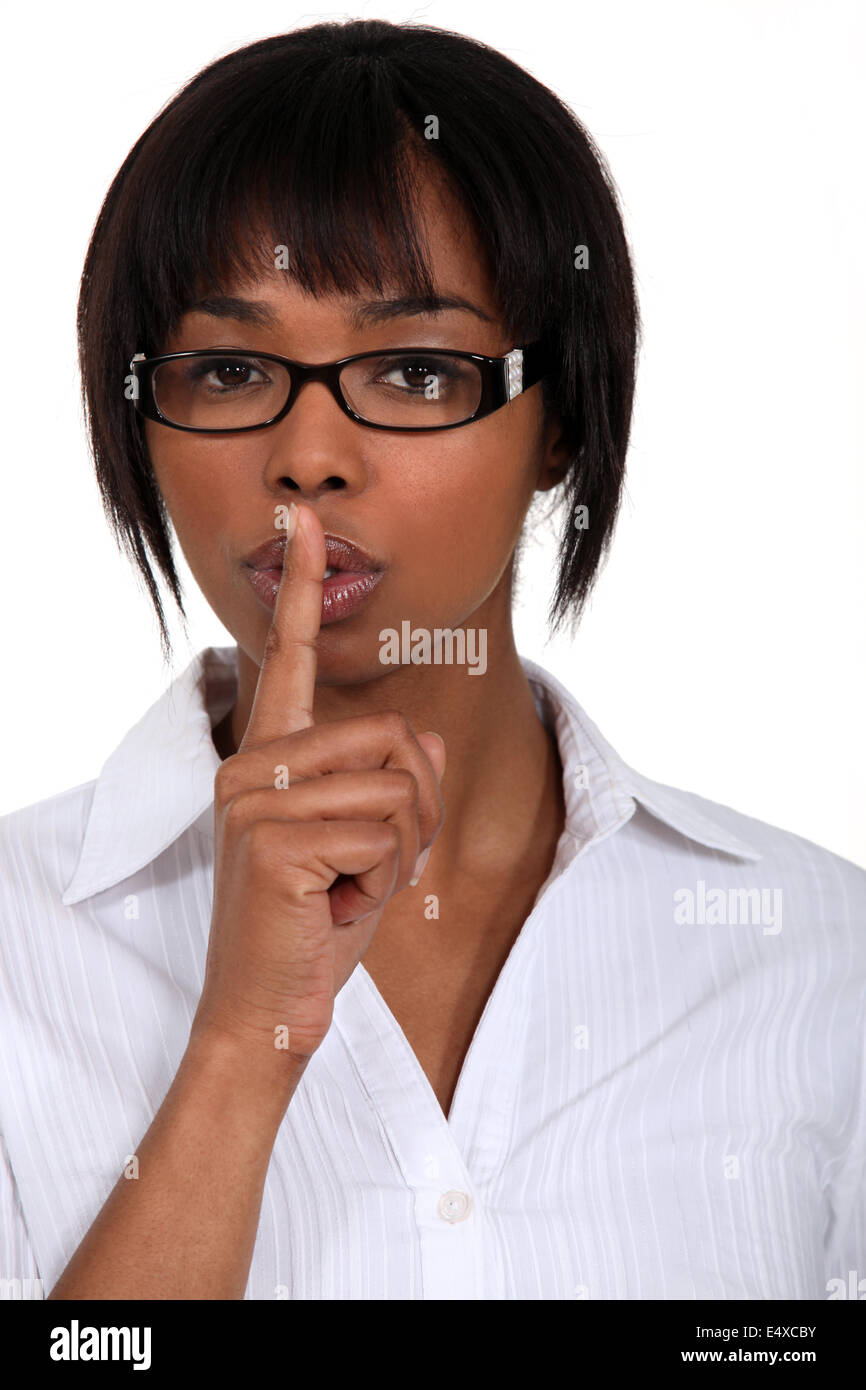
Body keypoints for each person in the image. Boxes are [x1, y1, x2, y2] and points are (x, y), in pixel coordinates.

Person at [1, 19, 863, 1302]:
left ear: (559, 416)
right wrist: (246, 1043)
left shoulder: (816, 956)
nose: (307, 455)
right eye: (230, 367)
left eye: (411, 369)